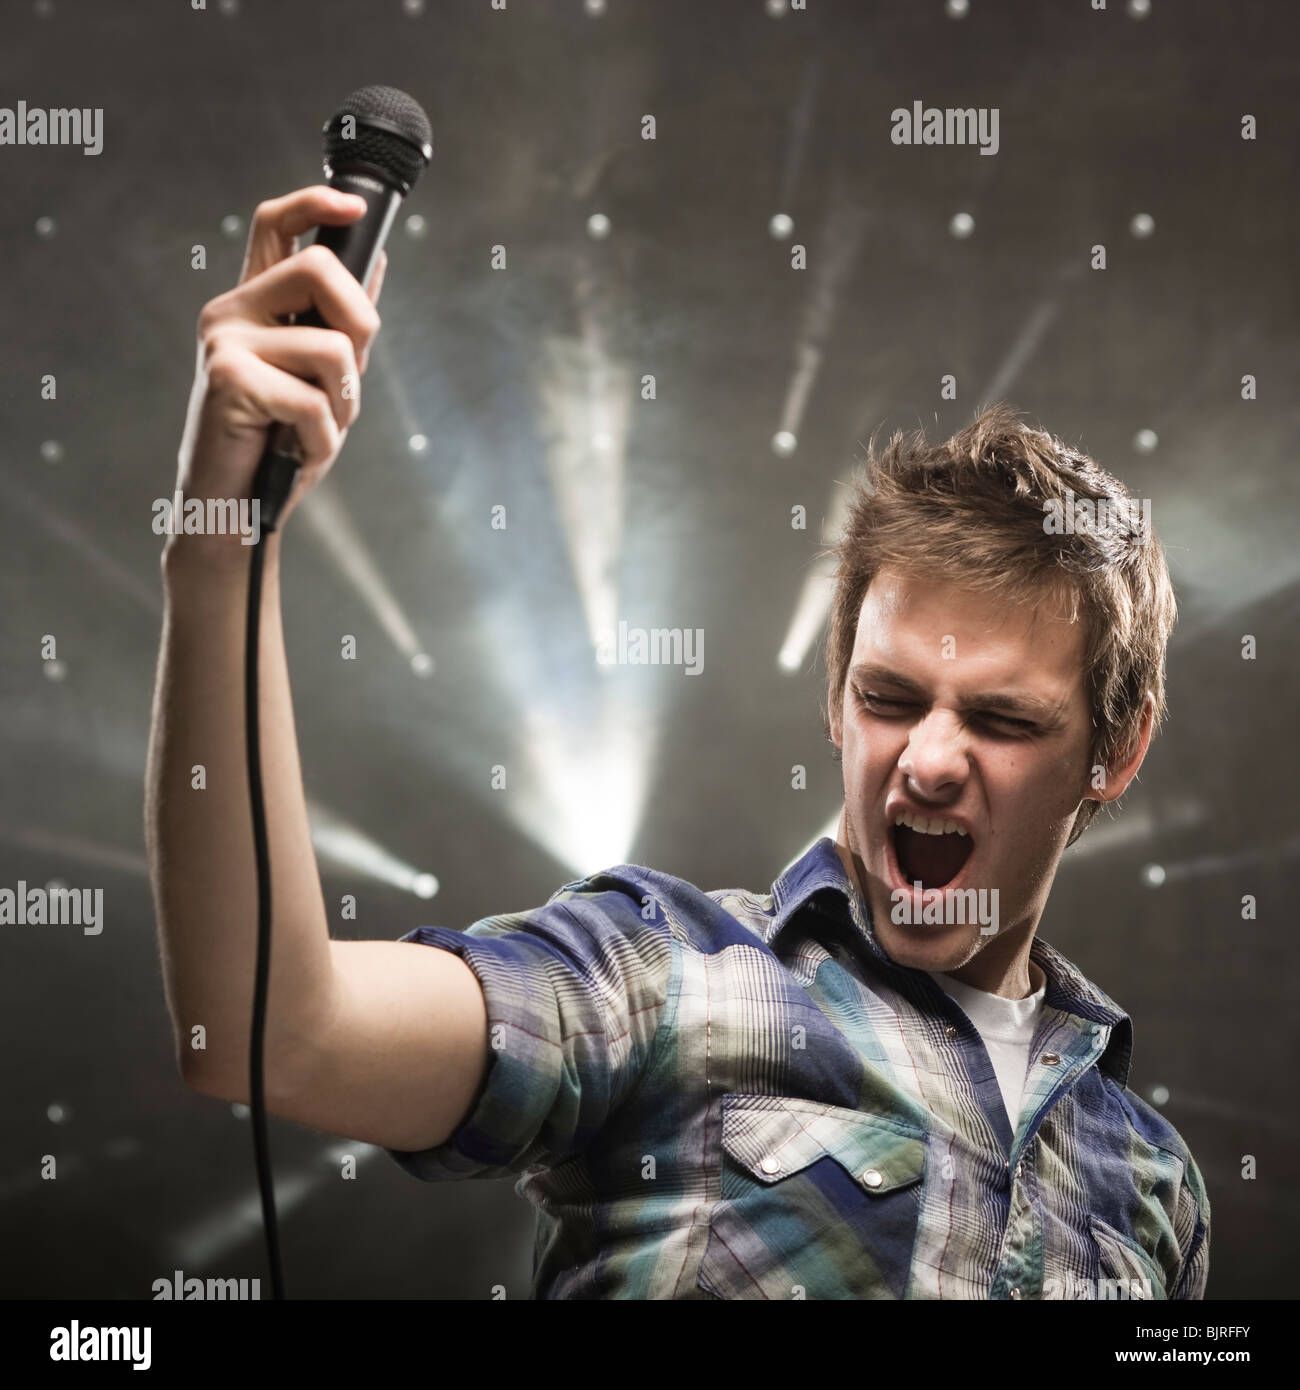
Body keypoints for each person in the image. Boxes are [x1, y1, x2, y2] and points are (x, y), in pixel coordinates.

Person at [146, 185, 1209, 1301]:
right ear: (837, 703)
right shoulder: (662, 978)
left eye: (1001, 720)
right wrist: (221, 545)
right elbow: (267, 1030)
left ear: (1114, 752)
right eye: (891, 697)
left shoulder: (1151, 1183)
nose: (929, 759)